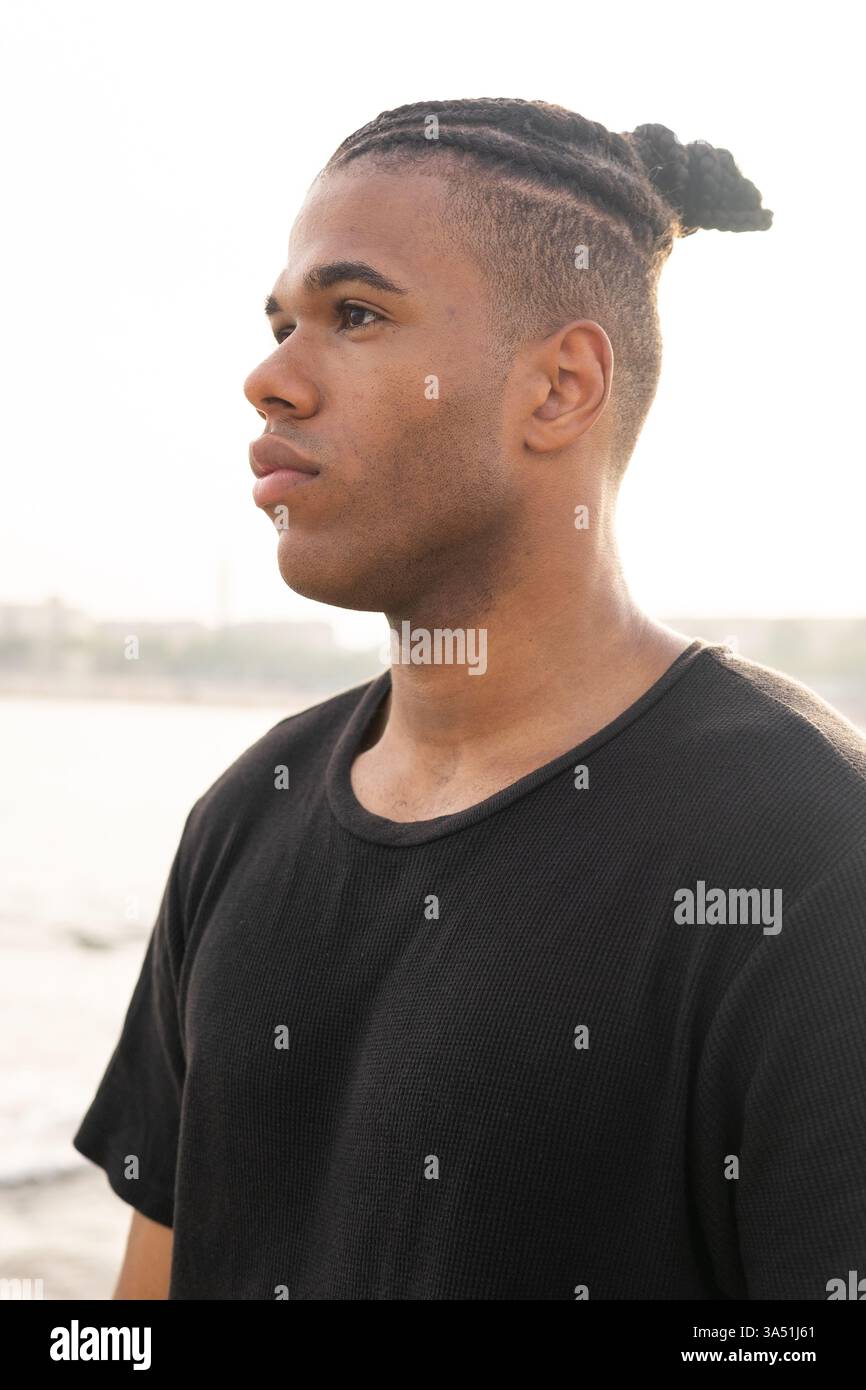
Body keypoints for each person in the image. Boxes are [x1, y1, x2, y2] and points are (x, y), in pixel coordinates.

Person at [73, 97, 866, 1301]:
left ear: (557, 388)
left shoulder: (809, 850)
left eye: (353, 315)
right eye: (280, 321)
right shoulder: (245, 817)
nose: (268, 378)